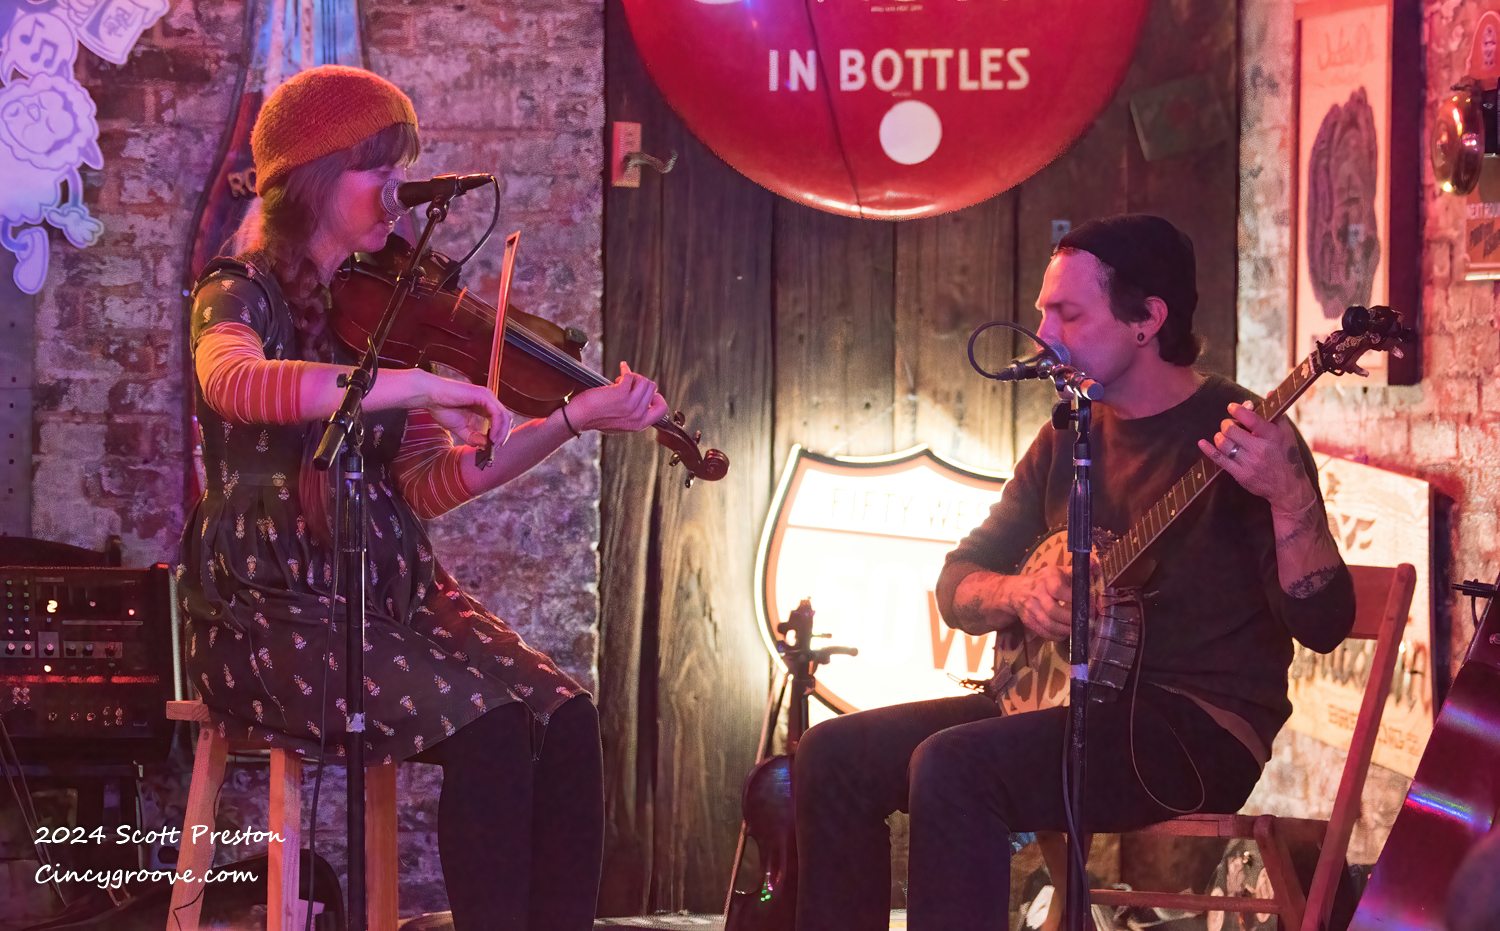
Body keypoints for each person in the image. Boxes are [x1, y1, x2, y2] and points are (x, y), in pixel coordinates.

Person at [177, 65, 667, 931]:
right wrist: (409, 385)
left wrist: (571, 415)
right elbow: (232, 381)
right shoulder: (238, 288)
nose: (400, 194)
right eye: (380, 170)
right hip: (269, 609)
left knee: (563, 715)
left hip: (390, 592)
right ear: (314, 178)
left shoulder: (377, 312)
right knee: (489, 730)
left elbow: (433, 484)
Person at [792, 214, 1356, 931]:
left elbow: (1325, 624)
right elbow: (957, 581)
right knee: (834, 753)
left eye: (1069, 312)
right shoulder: (1069, 434)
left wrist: (1289, 496)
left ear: (1148, 318)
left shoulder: (1243, 434)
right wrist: (1020, 594)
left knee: (953, 767)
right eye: (1042, 311)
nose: (1045, 332)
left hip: (1193, 728)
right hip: (1065, 706)